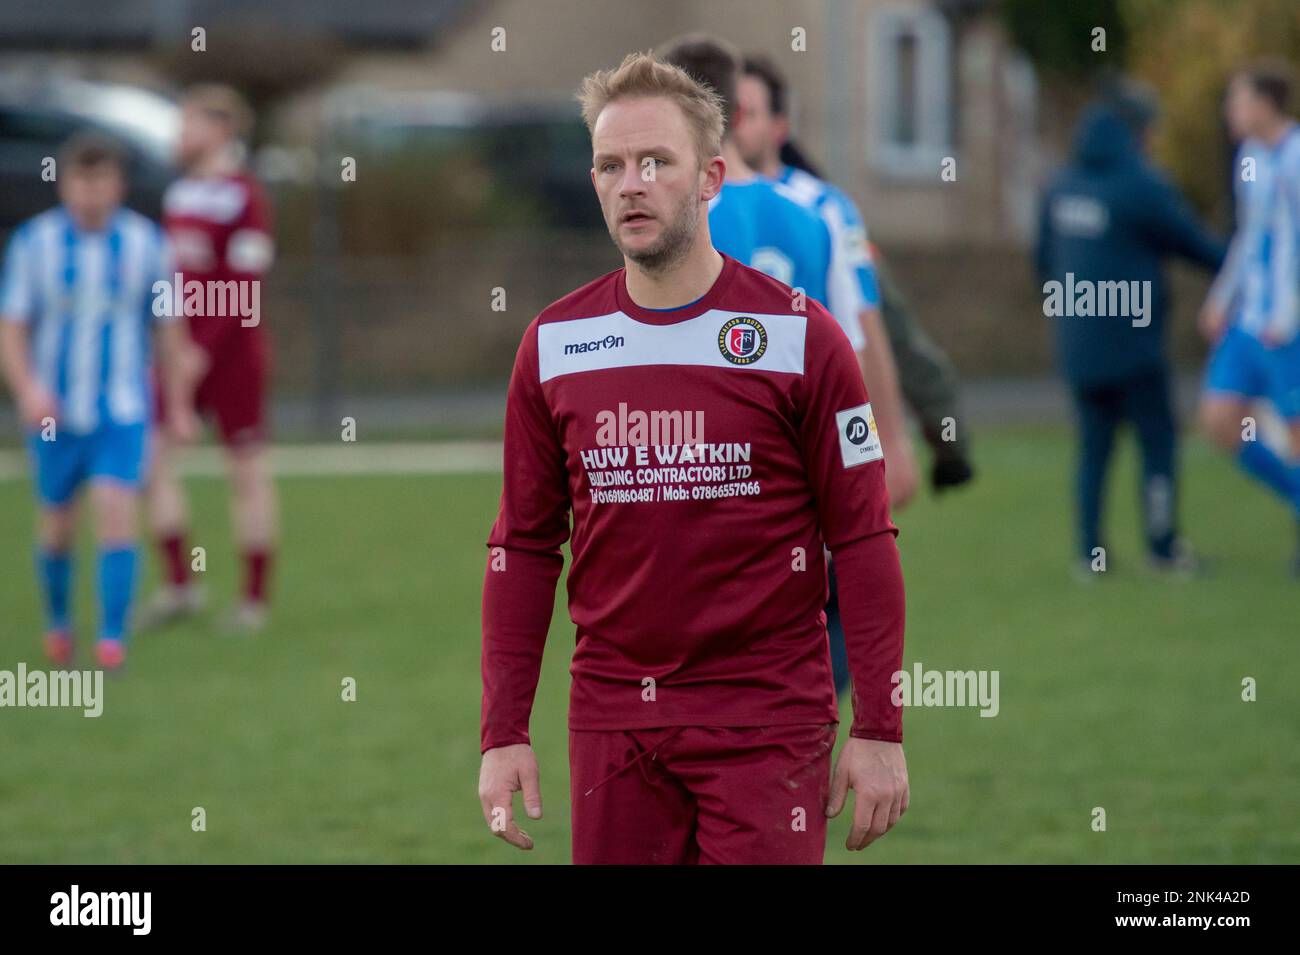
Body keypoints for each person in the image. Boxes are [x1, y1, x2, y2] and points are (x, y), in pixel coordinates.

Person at [477, 52, 908, 864]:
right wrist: (503, 733)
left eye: (655, 162)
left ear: (711, 176)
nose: (631, 183)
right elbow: (524, 548)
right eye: (611, 165)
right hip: (613, 725)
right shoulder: (555, 345)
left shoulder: (799, 336)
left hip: (768, 720)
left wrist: (880, 727)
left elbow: (863, 537)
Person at [0, 133, 197, 669]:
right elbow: (12, 328)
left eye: (101, 181)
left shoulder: (146, 244)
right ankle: (59, 625)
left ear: (118, 186)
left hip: (121, 409)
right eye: (80, 182)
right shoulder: (33, 244)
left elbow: (168, 327)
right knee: (58, 525)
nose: (90, 194)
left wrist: (178, 403)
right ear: (64, 185)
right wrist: (28, 389)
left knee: (116, 511)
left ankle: (112, 639)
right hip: (54, 415)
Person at [1036, 82, 1225, 575]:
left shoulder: (1061, 184)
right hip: (1134, 345)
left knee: (1094, 448)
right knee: (1157, 441)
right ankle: (1162, 548)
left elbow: (1043, 262)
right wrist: (1246, 266)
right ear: (1138, 130)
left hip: (1077, 343)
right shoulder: (1142, 184)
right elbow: (1195, 246)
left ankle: (1090, 555)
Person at [139, 84, 278, 631]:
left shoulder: (245, 196)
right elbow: (171, 282)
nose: (179, 136)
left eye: (188, 124)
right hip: (181, 353)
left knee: (244, 469)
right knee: (149, 457)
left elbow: (246, 286)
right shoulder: (177, 196)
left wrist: (204, 349)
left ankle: (253, 598)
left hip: (233, 356)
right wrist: (172, 345)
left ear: (220, 130)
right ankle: (180, 586)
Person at [1198, 60, 1300, 573]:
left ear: (1265, 103)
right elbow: (1248, 235)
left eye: (1238, 99)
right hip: (1249, 320)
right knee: (1218, 420)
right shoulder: (1249, 158)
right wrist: (1221, 298)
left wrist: (1288, 312)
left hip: (1288, 324)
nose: (1230, 111)